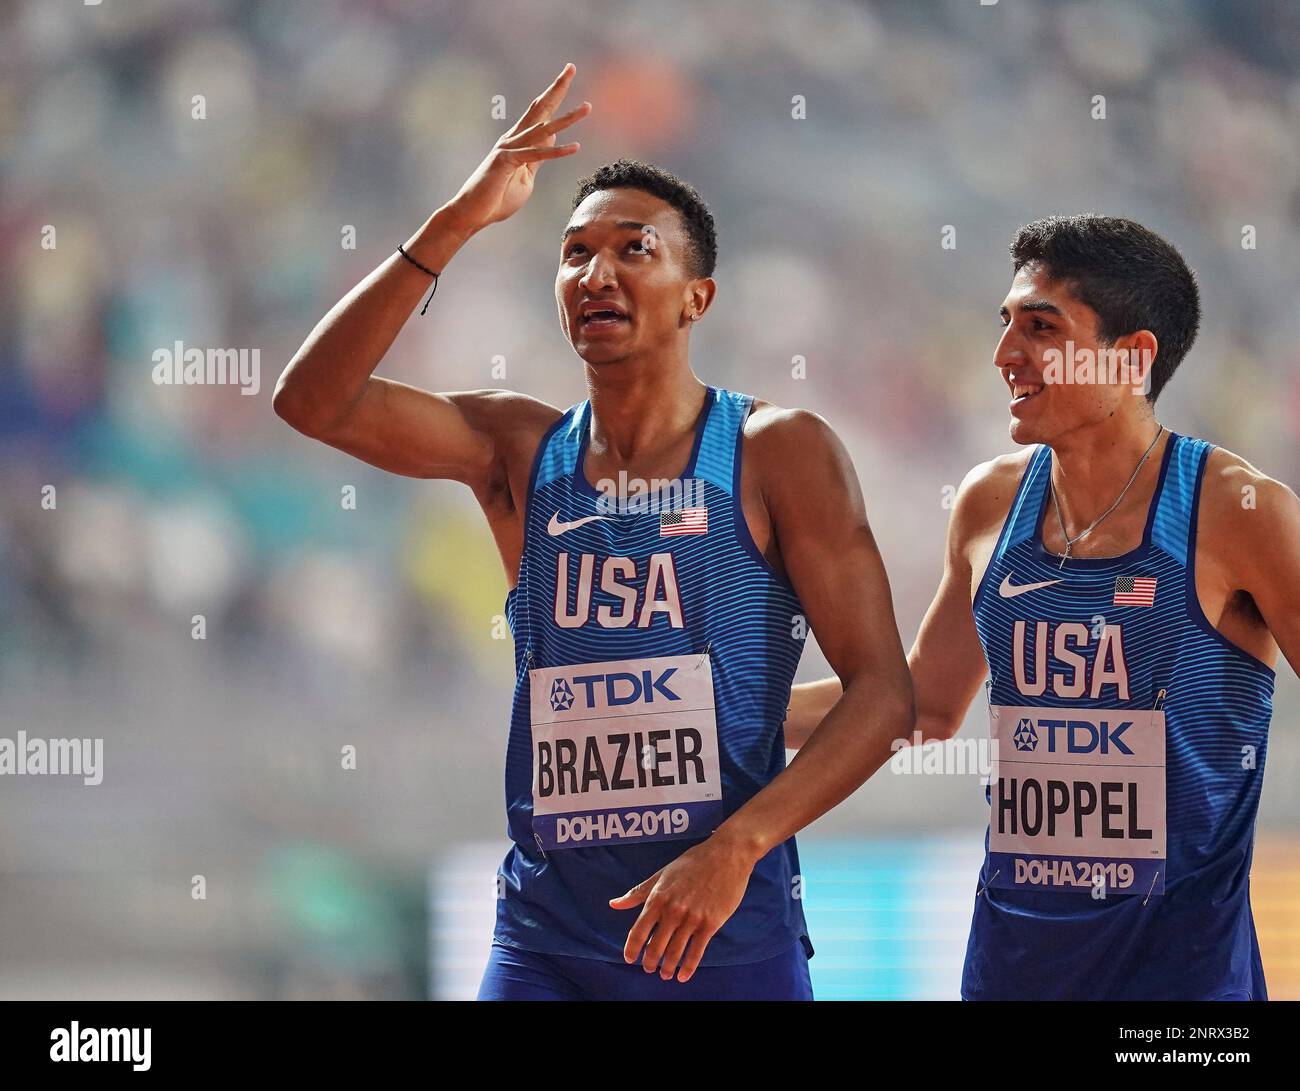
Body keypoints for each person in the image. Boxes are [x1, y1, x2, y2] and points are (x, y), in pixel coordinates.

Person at [273, 63, 913, 1001]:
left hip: (721, 940)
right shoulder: (518, 451)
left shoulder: (778, 451)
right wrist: (458, 220)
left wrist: (735, 847)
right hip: (547, 946)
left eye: (634, 249)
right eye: (573, 253)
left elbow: (883, 696)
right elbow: (312, 401)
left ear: (698, 297)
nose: (595, 272)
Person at [786, 215, 1300, 1000]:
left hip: (1183, 993)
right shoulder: (990, 502)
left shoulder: (1237, 510)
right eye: (1005, 325)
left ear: (1132, 357)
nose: (1003, 356)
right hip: (1011, 970)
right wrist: (725, 712)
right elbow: (919, 702)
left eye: (1040, 327)